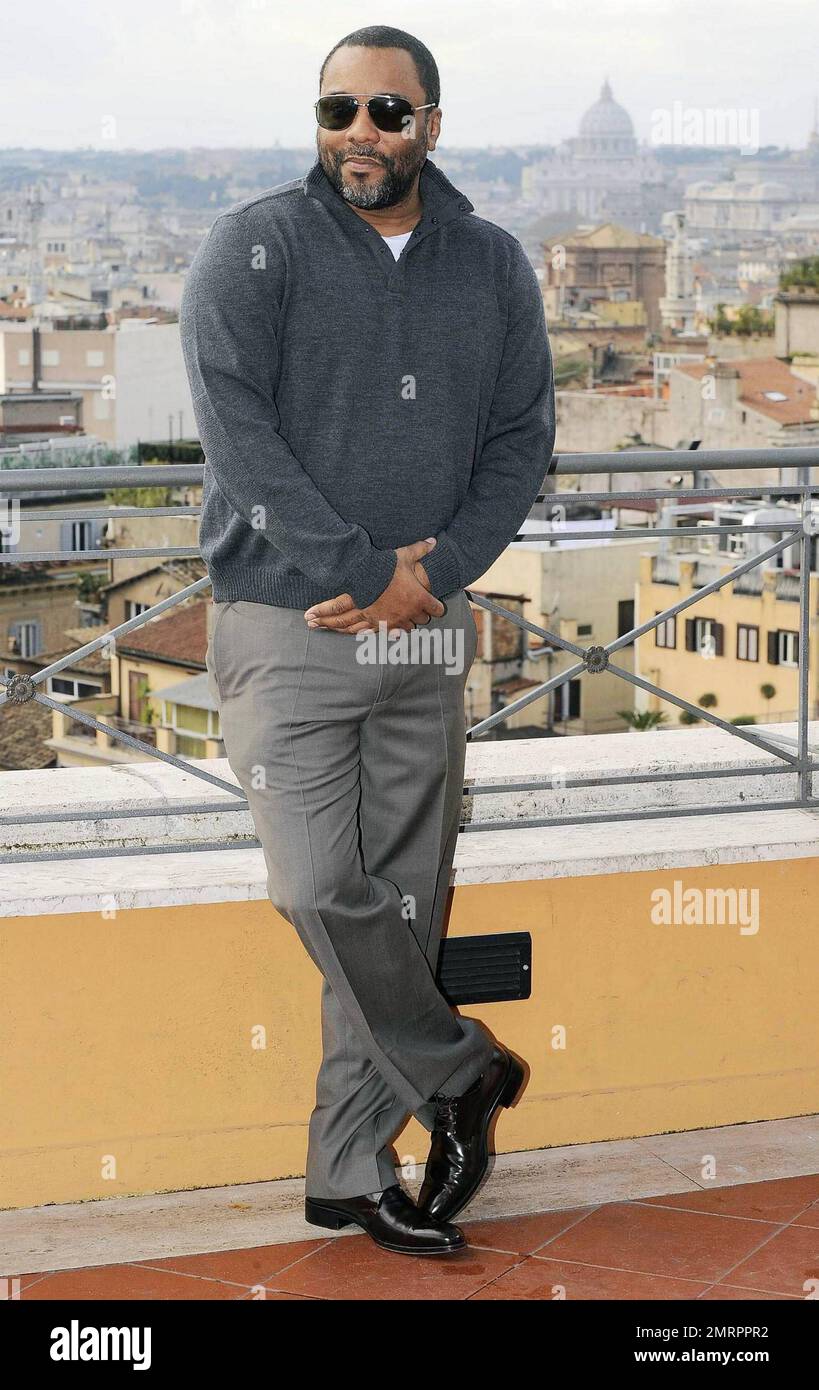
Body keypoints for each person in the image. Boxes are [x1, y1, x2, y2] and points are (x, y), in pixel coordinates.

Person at [180, 24, 555, 1257]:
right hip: (286, 626)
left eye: (388, 113)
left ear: (431, 125)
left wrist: (434, 575)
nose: (359, 133)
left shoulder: (491, 265)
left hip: (423, 631)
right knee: (312, 884)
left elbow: (519, 446)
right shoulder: (255, 245)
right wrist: (358, 572)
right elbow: (237, 436)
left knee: (404, 898)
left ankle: (350, 1171)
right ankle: (457, 1069)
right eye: (338, 108)